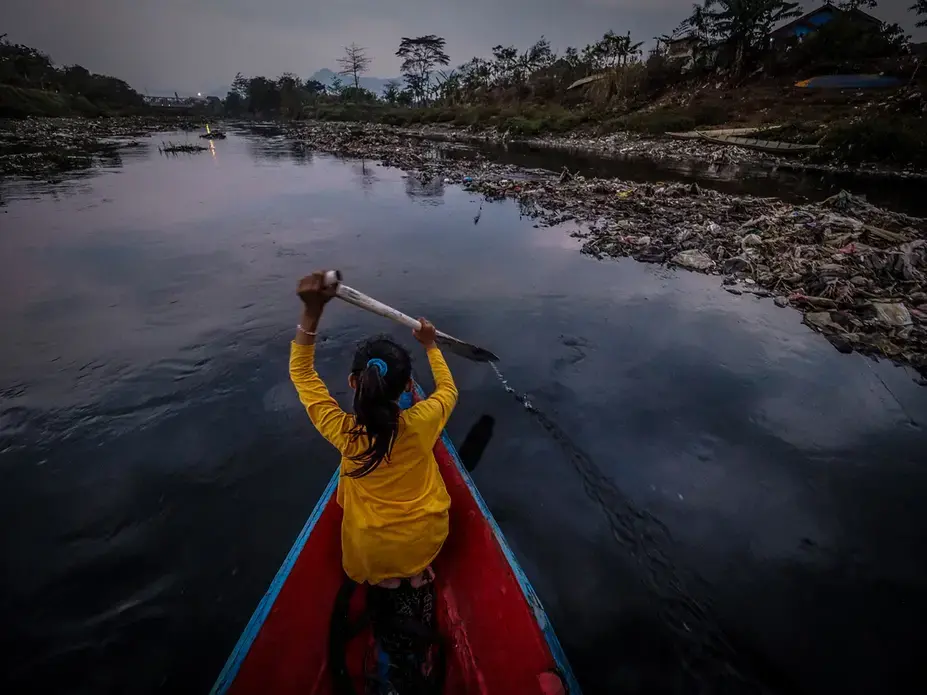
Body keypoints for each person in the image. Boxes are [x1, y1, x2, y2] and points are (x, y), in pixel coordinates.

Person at [289, 271, 458, 588]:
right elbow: (448, 390)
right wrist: (431, 346)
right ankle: (417, 572)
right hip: (428, 536)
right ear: (408, 386)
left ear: (354, 383)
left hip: (374, 549)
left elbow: (302, 375)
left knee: (381, 568)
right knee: (415, 555)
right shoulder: (424, 419)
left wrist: (312, 312)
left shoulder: (343, 432)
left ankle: (387, 581)